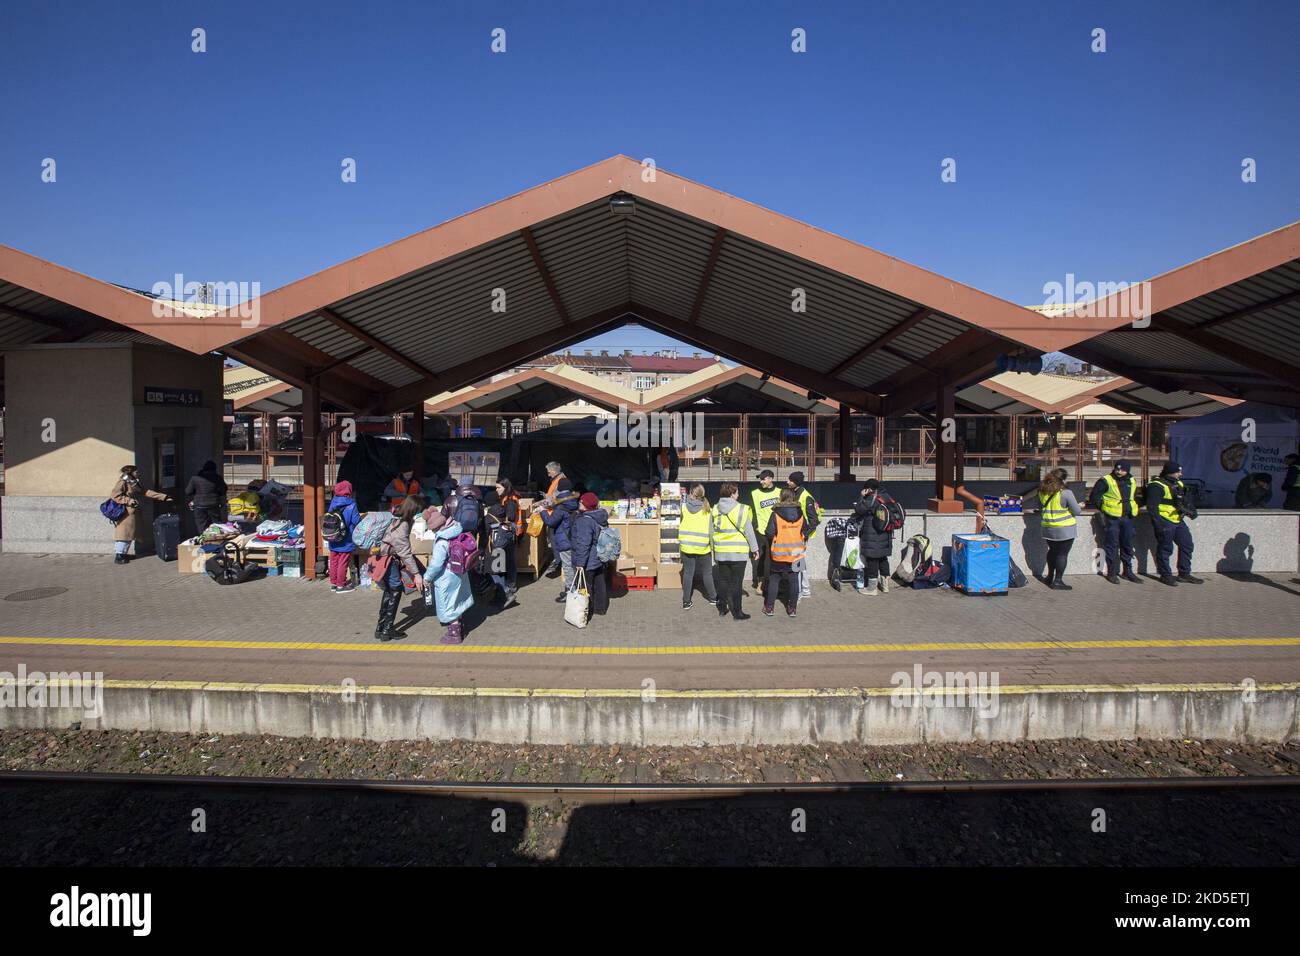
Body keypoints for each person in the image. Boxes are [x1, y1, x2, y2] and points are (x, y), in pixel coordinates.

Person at [373, 497, 425, 641]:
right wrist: (416, 574)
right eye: (418, 511)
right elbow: (405, 553)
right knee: (395, 589)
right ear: (413, 510)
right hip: (388, 560)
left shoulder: (394, 515)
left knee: (389, 590)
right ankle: (387, 630)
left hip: (383, 558)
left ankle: (380, 627)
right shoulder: (402, 525)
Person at [422, 509, 474, 645]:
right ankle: (461, 626)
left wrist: (427, 577)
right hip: (459, 571)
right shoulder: (456, 530)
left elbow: (436, 564)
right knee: (457, 600)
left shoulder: (442, 540)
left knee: (448, 603)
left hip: (446, 576)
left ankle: (454, 634)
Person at [1147, 461, 1201, 587]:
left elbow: (1184, 501)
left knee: (1187, 545)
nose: (1180, 474)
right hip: (1164, 521)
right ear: (1170, 472)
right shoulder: (1156, 486)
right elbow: (1152, 507)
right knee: (1166, 549)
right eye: (1178, 471)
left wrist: (1191, 511)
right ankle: (1165, 575)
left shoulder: (1178, 484)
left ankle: (1184, 573)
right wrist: (1159, 524)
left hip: (1177, 519)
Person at [1088, 459, 1141, 584]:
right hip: (1112, 518)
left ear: (1127, 470)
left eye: (1122, 470)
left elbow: (1133, 496)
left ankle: (1128, 571)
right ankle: (1112, 572)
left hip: (1127, 517)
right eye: (1117, 469)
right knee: (1111, 545)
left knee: (1127, 544)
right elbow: (1094, 497)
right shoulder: (1106, 480)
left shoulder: (1132, 480)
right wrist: (1103, 508)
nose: (1119, 471)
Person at [711, 482, 759, 620]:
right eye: (737, 492)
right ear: (732, 494)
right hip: (738, 552)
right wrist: (755, 549)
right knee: (736, 583)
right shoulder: (742, 509)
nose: (738, 495)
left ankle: (722, 607)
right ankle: (737, 613)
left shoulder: (715, 509)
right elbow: (749, 531)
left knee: (723, 580)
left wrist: (713, 548)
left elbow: (711, 530)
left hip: (721, 551)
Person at [108, 464, 172, 564]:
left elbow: (144, 492)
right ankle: (119, 555)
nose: (138, 473)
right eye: (136, 472)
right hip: (125, 512)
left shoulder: (132, 482)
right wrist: (129, 501)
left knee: (129, 534)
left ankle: (123, 554)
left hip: (131, 512)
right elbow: (114, 495)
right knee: (124, 534)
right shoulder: (123, 482)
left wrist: (163, 497)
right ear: (130, 472)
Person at [1035, 468, 1083, 591]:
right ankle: (1058, 581)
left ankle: (1049, 577)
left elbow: (1040, 507)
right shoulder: (1065, 493)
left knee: (1052, 551)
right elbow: (1077, 511)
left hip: (1048, 527)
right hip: (1064, 529)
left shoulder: (1042, 491)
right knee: (1062, 554)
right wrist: (1080, 505)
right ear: (1063, 480)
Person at [763, 488, 809, 617]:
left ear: (781, 497)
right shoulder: (800, 514)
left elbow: (770, 533)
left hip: (779, 553)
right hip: (797, 554)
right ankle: (792, 608)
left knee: (774, 579)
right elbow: (805, 532)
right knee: (794, 580)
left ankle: (770, 607)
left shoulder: (776, 514)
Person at [850, 479, 898, 595]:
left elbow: (859, 509)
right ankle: (885, 586)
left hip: (873, 532)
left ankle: (872, 588)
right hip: (886, 533)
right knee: (883, 558)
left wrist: (861, 497)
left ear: (869, 489)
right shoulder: (886, 496)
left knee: (872, 559)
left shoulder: (871, 498)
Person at [569, 492, 611, 620]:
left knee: (585, 586)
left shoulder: (584, 521)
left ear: (585, 505)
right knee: (599, 582)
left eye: (581, 502)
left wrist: (580, 563)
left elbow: (583, 544)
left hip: (588, 559)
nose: (579, 503)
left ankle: (585, 611)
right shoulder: (600, 516)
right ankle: (601, 608)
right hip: (599, 556)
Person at [678, 484, 718, 610]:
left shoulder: (683, 507)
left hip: (686, 546)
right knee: (707, 573)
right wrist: (713, 548)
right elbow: (711, 531)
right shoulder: (707, 509)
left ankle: (686, 601)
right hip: (703, 547)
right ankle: (713, 597)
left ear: (691, 493)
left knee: (688, 574)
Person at [484, 478, 520, 608]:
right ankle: (509, 587)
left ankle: (507, 590)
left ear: (505, 487)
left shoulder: (510, 501)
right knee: (507, 561)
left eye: (498, 487)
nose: (497, 490)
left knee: (498, 565)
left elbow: (510, 517)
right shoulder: (505, 502)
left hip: (501, 537)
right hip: (507, 535)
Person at [540, 487, 580, 602]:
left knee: (567, 567)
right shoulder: (573, 504)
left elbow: (551, 522)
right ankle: (572, 589)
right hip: (573, 539)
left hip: (564, 541)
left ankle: (570, 593)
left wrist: (543, 511)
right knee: (572, 565)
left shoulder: (561, 508)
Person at [786, 472, 821, 599]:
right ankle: (804, 589)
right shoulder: (795, 493)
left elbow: (814, 520)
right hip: (794, 534)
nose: (787, 482)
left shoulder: (805, 497)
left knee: (799, 564)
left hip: (800, 535)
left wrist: (805, 534)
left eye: (790, 480)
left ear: (796, 482)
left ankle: (803, 590)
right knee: (799, 563)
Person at [326, 479, 362, 593]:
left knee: (333, 560)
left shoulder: (333, 501)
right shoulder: (351, 503)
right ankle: (341, 585)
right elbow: (356, 520)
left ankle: (333, 583)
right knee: (343, 561)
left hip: (333, 535)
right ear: (349, 490)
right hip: (345, 537)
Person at [748, 470, 780, 594]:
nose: (761, 482)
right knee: (760, 559)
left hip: (777, 532)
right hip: (761, 532)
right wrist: (755, 526)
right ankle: (760, 583)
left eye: (764, 479)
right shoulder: (755, 493)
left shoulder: (780, 492)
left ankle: (775, 582)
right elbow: (752, 511)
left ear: (771, 479)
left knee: (775, 559)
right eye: (760, 479)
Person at [539, 461, 572, 577]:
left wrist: (542, 507)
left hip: (556, 515)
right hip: (555, 513)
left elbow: (557, 500)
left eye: (549, 472)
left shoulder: (561, 482)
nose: (548, 474)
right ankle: (560, 562)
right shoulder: (558, 480)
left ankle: (560, 563)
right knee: (556, 540)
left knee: (556, 540)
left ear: (554, 471)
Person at [183, 460, 227, 536]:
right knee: (216, 524)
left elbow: (188, 492)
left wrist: (197, 492)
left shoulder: (195, 478)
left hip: (199, 505)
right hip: (214, 504)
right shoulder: (217, 478)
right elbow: (224, 489)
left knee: (201, 525)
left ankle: (203, 541)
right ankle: (216, 541)